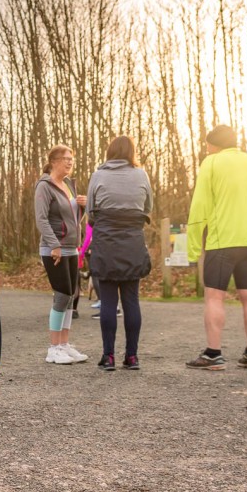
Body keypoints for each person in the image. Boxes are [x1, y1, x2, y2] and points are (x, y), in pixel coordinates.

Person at [185, 125, 247, 370]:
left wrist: (192, 249)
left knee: (214, 296)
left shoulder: (211, 163)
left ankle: (213, 354)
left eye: (207, 145)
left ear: (214, 144)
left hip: (223, 242)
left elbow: (199, 207)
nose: (206, 150)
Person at [86, 136, 153, 371]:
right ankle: (132, 357)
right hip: (133, 243)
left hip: (106, 243)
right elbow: (148, 208)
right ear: (131, 152)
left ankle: (109, 357)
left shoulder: (99, 175)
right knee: (131, 300)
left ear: (110, 152)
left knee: (108, 300)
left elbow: (90, 213)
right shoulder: (141, 175)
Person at [34, 144, 88, 364]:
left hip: (71, 248)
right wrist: (54, 244)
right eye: (65, 158)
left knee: (71, 296)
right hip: (53, 249)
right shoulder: (44, 186)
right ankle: (53, 348)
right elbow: (41, 219)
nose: (69, 162)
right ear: (54, 161)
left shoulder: (68, 185)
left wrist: (82, 208)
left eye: (71, 159)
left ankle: (64, 344)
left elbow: (73, 220)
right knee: (62, 295)